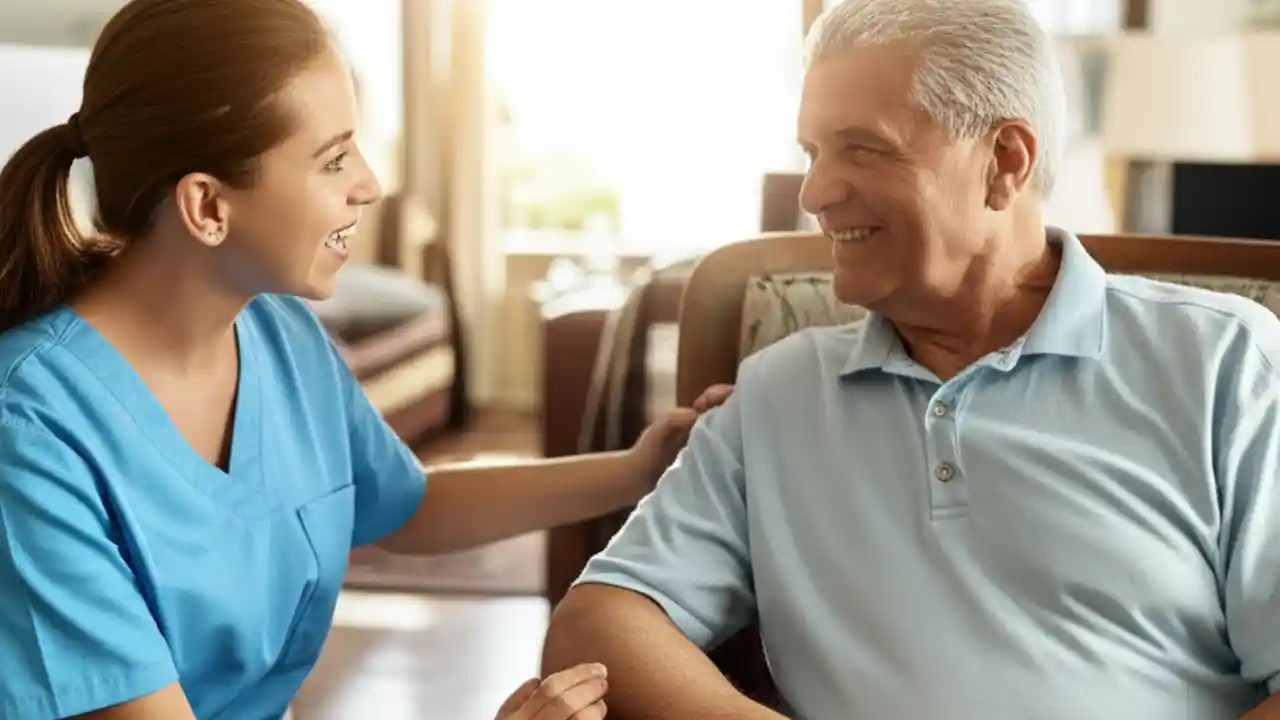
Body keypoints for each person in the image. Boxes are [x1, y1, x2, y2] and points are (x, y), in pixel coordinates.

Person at [540, 0, 1280, 718]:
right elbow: (598, 623)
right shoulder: (777, 391)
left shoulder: (1224, 363)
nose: (815, 192)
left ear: (1004, 162)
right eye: (812, 152)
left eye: (862, 148)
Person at [0, 1, 732, 719]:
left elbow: (405, 506)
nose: (369, 185)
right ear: (208, 207)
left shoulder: (279, 333)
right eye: (333, 159)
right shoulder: (29, 430)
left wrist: (635, 470)